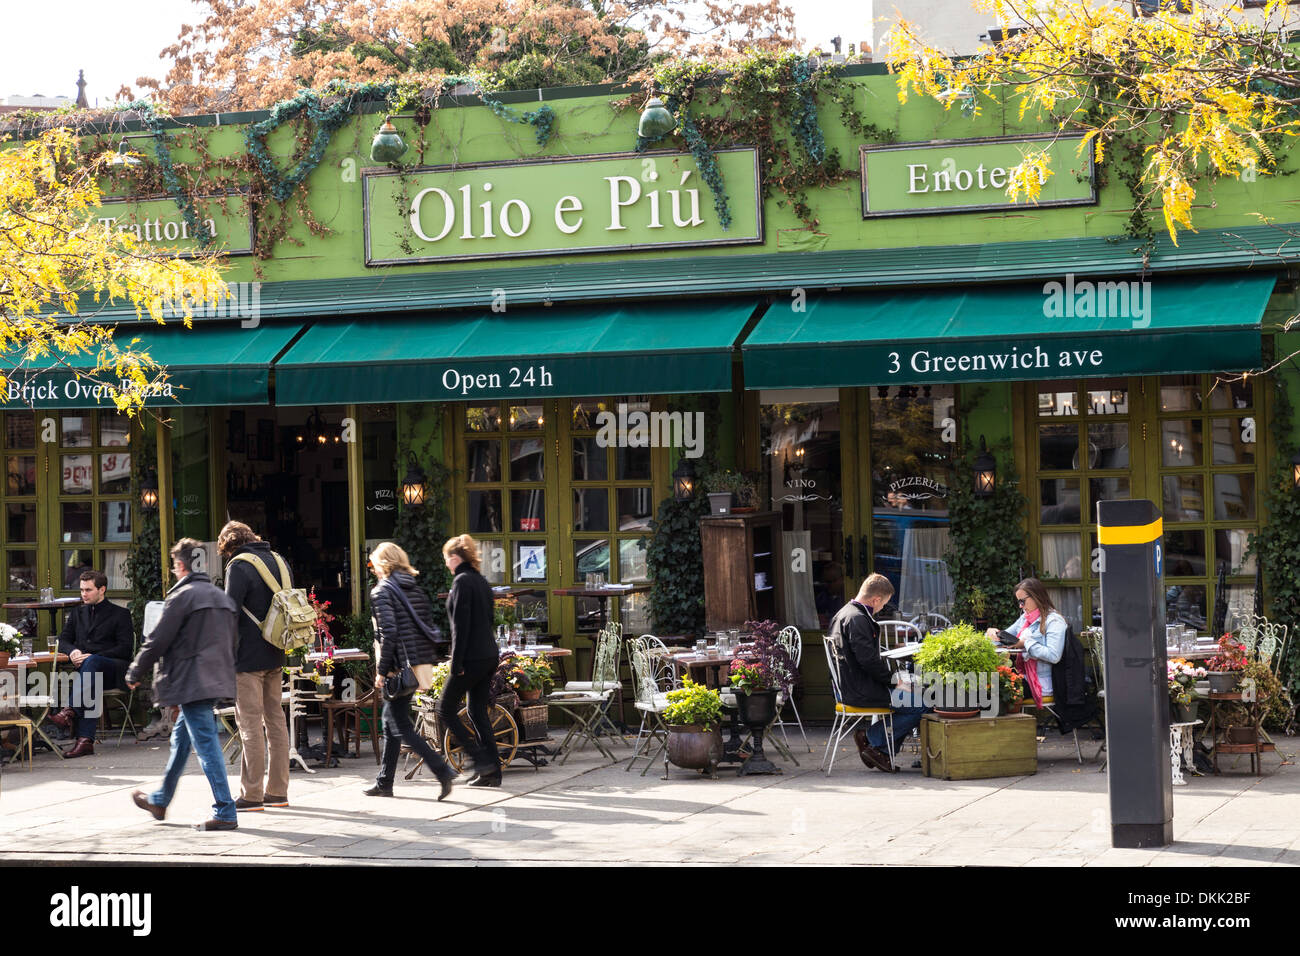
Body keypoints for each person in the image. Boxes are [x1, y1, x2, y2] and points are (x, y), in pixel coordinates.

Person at [126, 538, 240, 831]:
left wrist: (135, 671)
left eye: (174, 566)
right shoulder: (220, 597)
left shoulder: (183, 597)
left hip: (192, 682)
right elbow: (233, 641)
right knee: (181, 741)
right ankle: (160, 800)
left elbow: (157, 640)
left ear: (180, 565)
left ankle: (225, 811)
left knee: (206, 745)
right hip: (215, 679)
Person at [365, 542, 458, 799]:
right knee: (390, 721)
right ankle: (384, 782)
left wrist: (383, 671)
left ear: (382, 563)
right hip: (417, 665)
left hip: (398, 667)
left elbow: (389, 633)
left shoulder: (382, 591)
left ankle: (442, 771)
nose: (372, 569)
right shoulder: (414, 588)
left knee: (400, 725)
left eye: (373, 563)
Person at [219, 520, 290, 812]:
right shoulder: (279, 560)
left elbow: (229, 613)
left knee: (249, 724)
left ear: (230, 545)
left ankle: (251, 795)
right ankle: (278, 791)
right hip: (276, 651)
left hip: (247, 658)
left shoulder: (238, 566)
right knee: (276, 721)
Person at [827, 572, 930, 773]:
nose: (882, 608)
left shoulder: (844, 613)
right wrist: (895, 682)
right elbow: (869, 661)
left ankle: (879, 748)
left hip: (849, 686)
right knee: (921, 705)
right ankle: (874, 740)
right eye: (883, 604)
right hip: (860, 690)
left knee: (914, 698)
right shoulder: (857, 619)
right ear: (876, 599)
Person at [49, 570, 135, 758]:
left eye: (88, 590)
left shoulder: (120, 614)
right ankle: (85, 742)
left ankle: (69, 710)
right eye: (81, 590)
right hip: (90, 676)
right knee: (91, 678)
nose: (83, 594)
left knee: (92, 664)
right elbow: (63, 640)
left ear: (102, 589)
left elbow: (125, 649)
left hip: (114, 671)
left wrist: (91, 656)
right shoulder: (77, 613)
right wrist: (73, 651)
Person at [440, 534, 503, 788]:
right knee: (477, 711)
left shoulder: (462, 582)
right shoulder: (480, 580)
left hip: (472, 657)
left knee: (444, 709)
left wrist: (456, 663)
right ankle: (492, 773)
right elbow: (487, 620)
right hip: (488, 654)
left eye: (446, 559)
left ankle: (480, 760)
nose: (445, 564)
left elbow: (460, 628)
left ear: (455, 558)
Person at [986, 577, 1067, 706]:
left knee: (992, 694)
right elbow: (1004, 637)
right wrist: (992, 634)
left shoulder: (1054, 621)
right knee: (984, 685)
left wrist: (1026, 643)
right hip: (1024, 677)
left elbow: (1054, 655)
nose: (1020, 606)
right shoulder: (1025, 618)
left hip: (1041, 682)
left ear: (1036, 596)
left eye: (1022, 601)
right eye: (1019, 602)